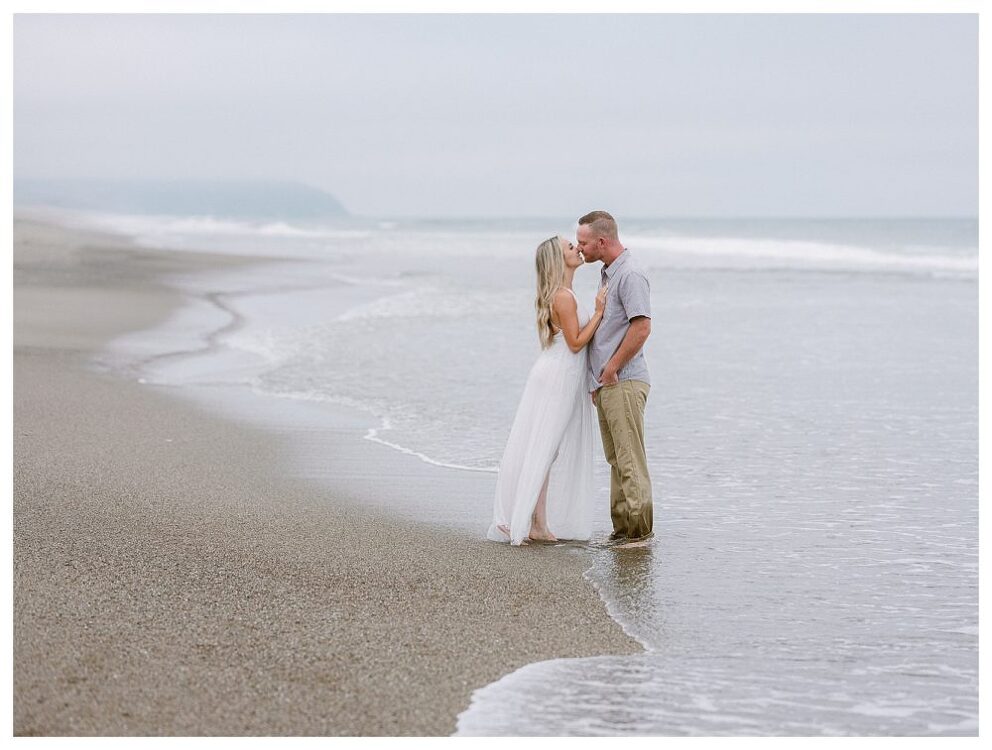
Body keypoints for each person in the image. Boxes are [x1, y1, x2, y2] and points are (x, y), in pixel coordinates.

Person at [487, 235, 607, 546]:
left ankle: (536, 522)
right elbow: (576, 343)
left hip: (557, 373)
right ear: (558, 259)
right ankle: (529, 520)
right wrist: (598, 313)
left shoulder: (564, 293)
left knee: (546, 449)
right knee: (543, 447)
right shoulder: (563, 297)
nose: (578, 248)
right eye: (571, 247)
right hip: (557, 376)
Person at [576, 211, 654, 542]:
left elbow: (642, 326)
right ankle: (622, 530)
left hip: (623, 379)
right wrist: (597, 379)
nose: (580, 249)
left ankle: (637, 535)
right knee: (615, 459)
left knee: (628, 459)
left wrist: (611, 368)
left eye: (583, 243)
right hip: (607, 383)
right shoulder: (609, 273)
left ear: (602, 241)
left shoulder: (631, 275)